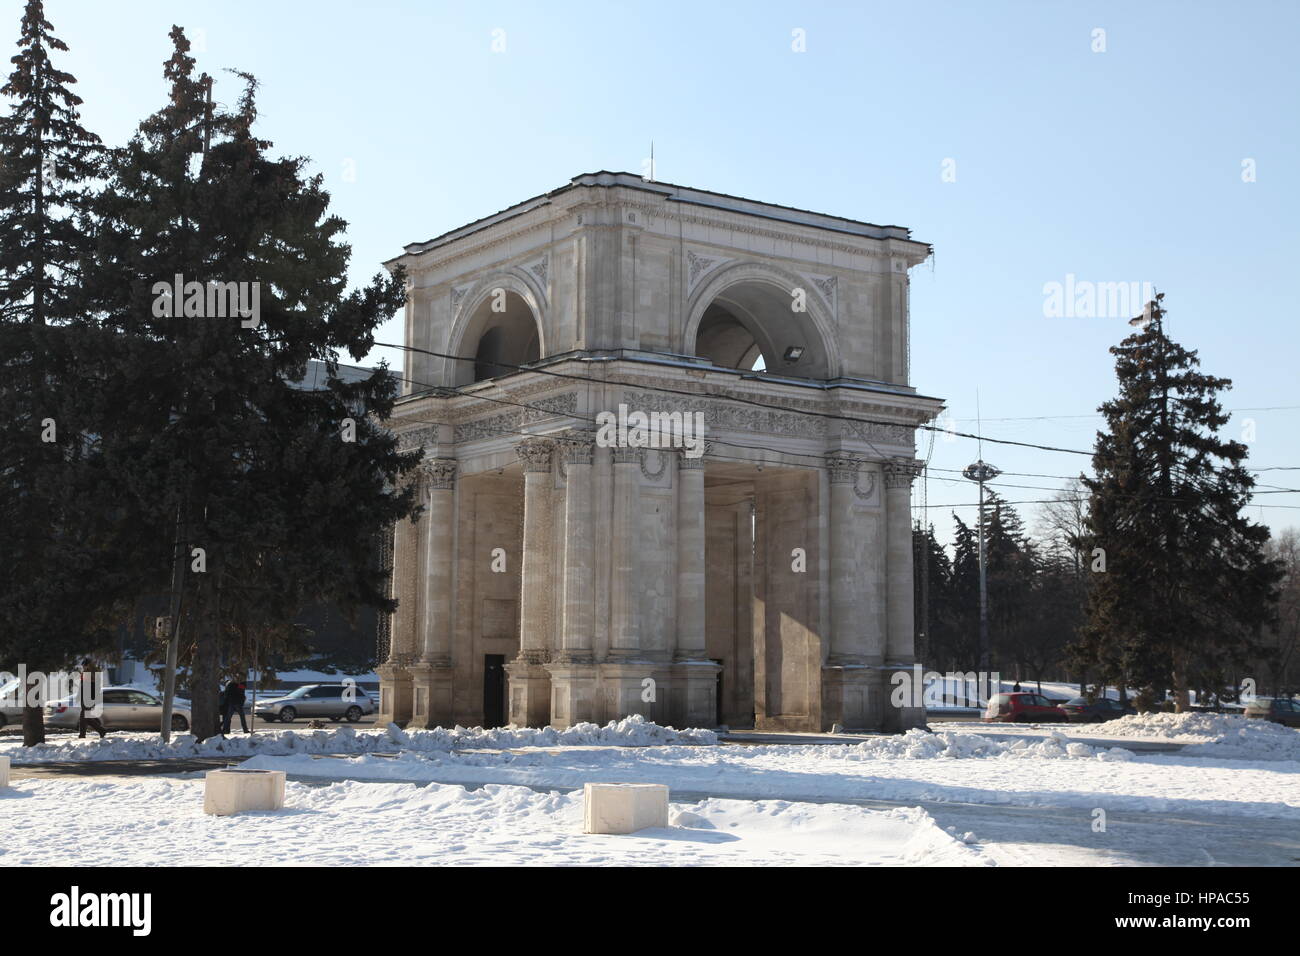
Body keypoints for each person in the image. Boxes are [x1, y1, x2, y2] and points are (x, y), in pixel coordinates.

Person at [76, 659, 107, 739]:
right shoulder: (85, 673)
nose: (83, 667)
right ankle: (101, 730)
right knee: (86, 716)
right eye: (83, 666)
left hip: (89, 697)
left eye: (84, 666)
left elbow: (94, 687)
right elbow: (82, 686)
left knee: (84, 715)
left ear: (88, 665)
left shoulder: (93, 673)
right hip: (85, 697)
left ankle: (82, 735)